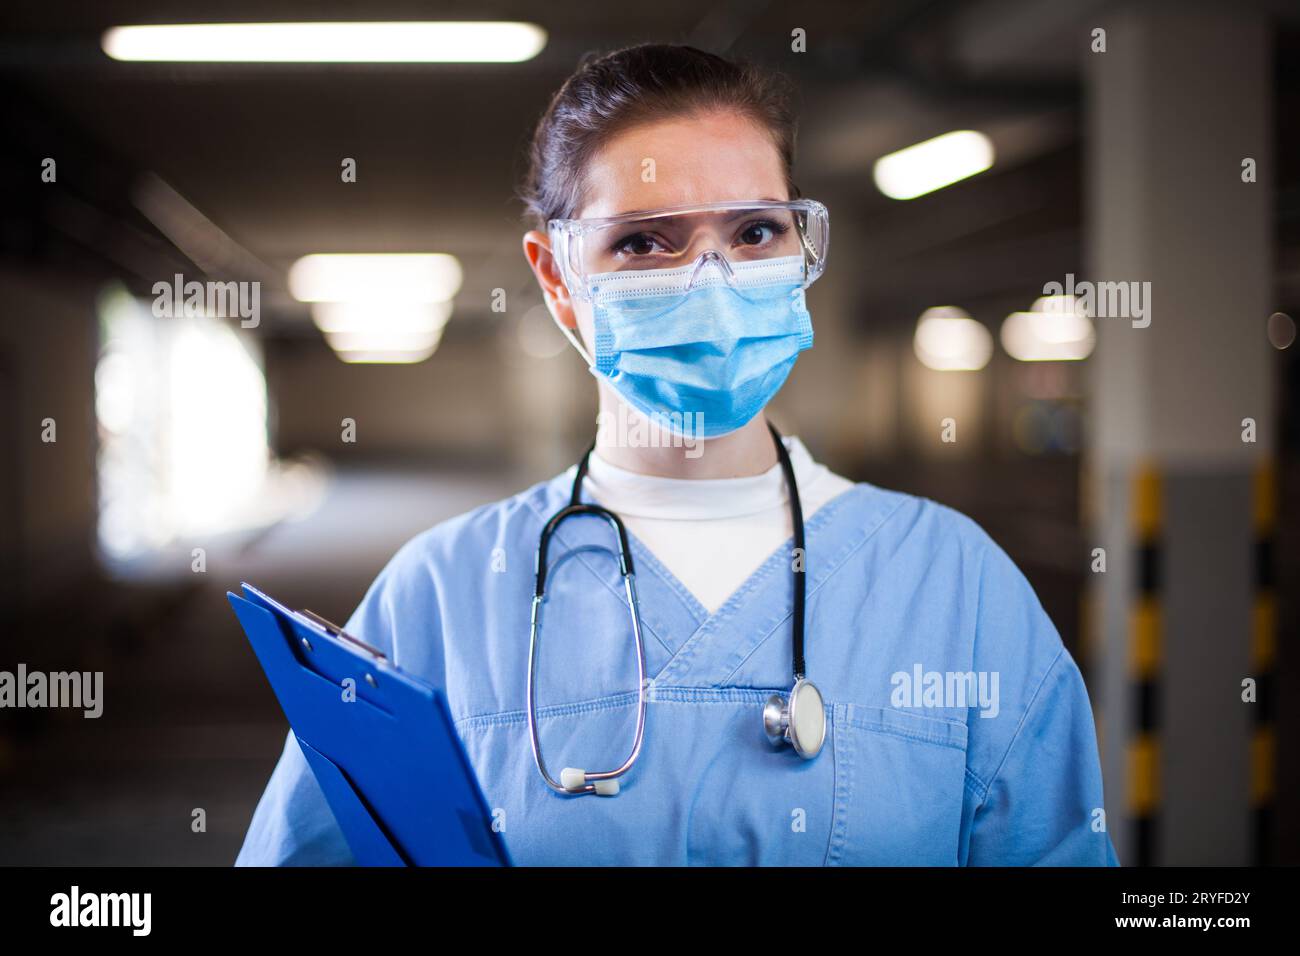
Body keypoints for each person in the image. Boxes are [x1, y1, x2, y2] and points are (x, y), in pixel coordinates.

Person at [236, 43, 1118, 866]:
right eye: (645, 242)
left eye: (755, 234)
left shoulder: (954, 587)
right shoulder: (439, 596)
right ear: (558, 279)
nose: (712, 279)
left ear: (799, 248)